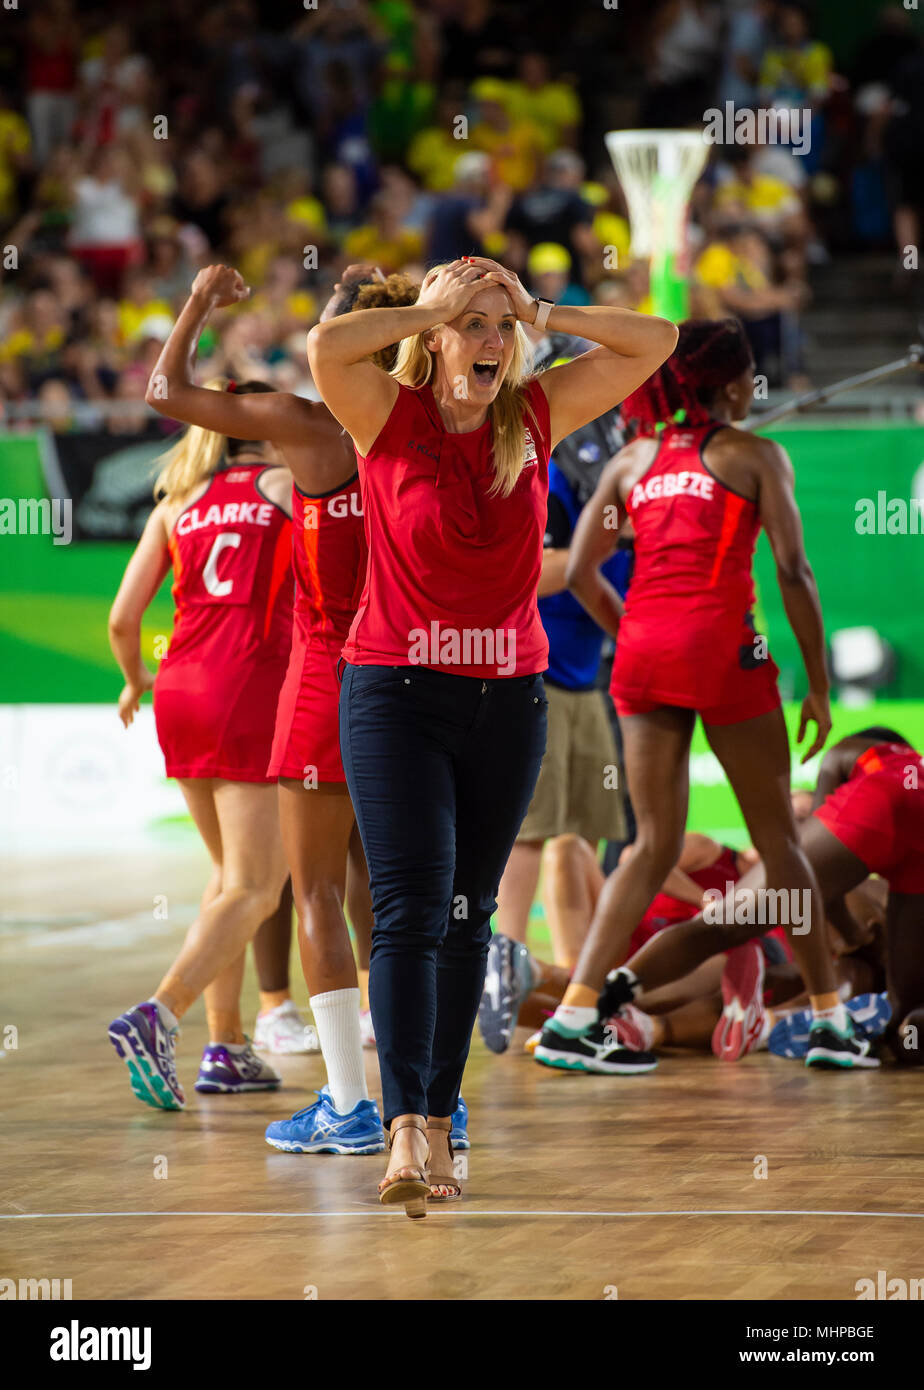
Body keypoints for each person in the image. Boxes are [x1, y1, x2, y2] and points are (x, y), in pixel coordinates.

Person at [307, 253, 678, 1215]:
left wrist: (540, 306)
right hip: (393, 688)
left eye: (497, 326)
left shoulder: (536, 413)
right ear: (432, 335)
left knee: (471, 912)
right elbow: (324, 345)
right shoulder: (386, 415)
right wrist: (429, 309)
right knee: (409, 909)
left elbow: (657, 341)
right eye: (470, 324)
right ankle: (399, 1131)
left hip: (507, 698)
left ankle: (440, 1114)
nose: (488, 338)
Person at [535, 316, 876, 1076]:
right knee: (782, 845)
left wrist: (635, 634)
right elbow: (795, 574)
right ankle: (830, 1021)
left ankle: (573, 1016)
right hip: (725, 649)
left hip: (646, 652)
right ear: (730, 384)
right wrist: (819, 687)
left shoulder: (632, 460)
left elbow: (583, 570)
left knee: (650, 845)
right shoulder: (756, 455)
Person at [143, 262, 423, 1155]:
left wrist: (195, 302)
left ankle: (343, 1101)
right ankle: (422, 1104)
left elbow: (166, 390)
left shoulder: (309, 432)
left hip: (322, 674)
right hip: (422, 676)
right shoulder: (444, 426)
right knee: (396, 898)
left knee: (307, 891)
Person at [107, 380, 294, 1107]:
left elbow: (125, 620)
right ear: (266, 428)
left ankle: (227, 1048)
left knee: (228, 878)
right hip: (252, 686)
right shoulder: (286, 485)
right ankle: (161, 1013)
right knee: (257, 885)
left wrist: (134, 682)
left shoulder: (176, 505)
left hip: (179, 689)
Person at [583, 728, 923, 1068]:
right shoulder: (914, 770)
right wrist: (855, 935)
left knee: (722, 926)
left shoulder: (855, 752)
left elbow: (806, 880)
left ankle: (590, 1010)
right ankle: (867, 1031)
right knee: (904, 1010)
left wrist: (849, 933)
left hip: (879, 804)